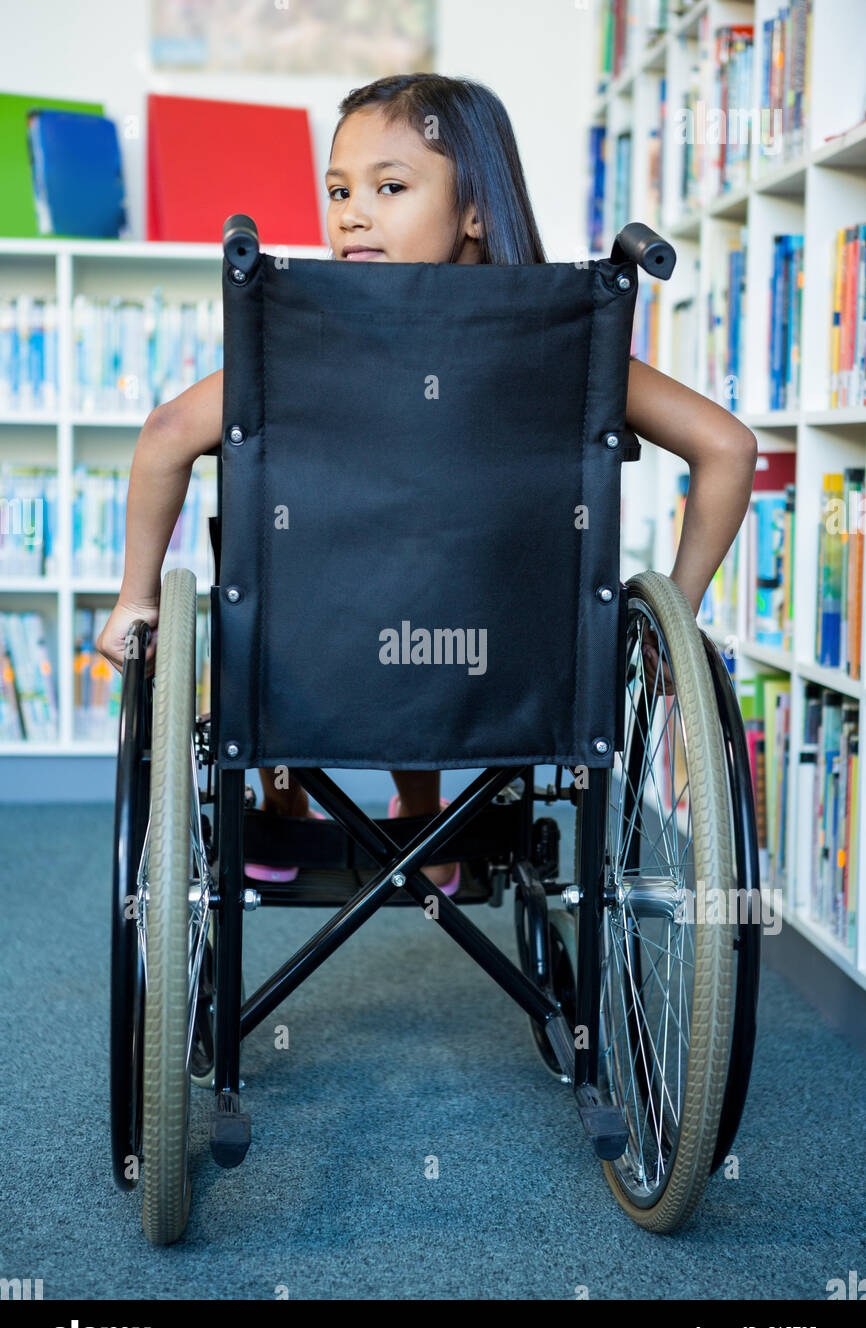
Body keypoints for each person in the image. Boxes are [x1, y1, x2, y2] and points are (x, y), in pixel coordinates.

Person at [96, 72, 758, 892]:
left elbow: (164, 436)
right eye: (338, 190)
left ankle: (281, 806)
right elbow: (727, 446)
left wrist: (136, 602)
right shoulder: (568, 350)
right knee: (427, 552)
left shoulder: (302, 340)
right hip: (512, 674)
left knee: (272, 547)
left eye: (390, 185)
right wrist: (674, 625)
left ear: (476, 209)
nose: (351, 213)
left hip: (321, 656)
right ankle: (429, 823)